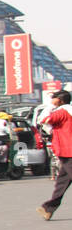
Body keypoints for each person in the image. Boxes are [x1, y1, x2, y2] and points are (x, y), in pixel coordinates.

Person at [39, 90, 72, 220]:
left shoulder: (63, 111)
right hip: (67, 150)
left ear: (60, 100)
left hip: (67, 150)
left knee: (62, 182)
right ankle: (48, 208)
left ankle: (49, 208)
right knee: (62, 182)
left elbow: (44, 119)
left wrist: (51, 105)